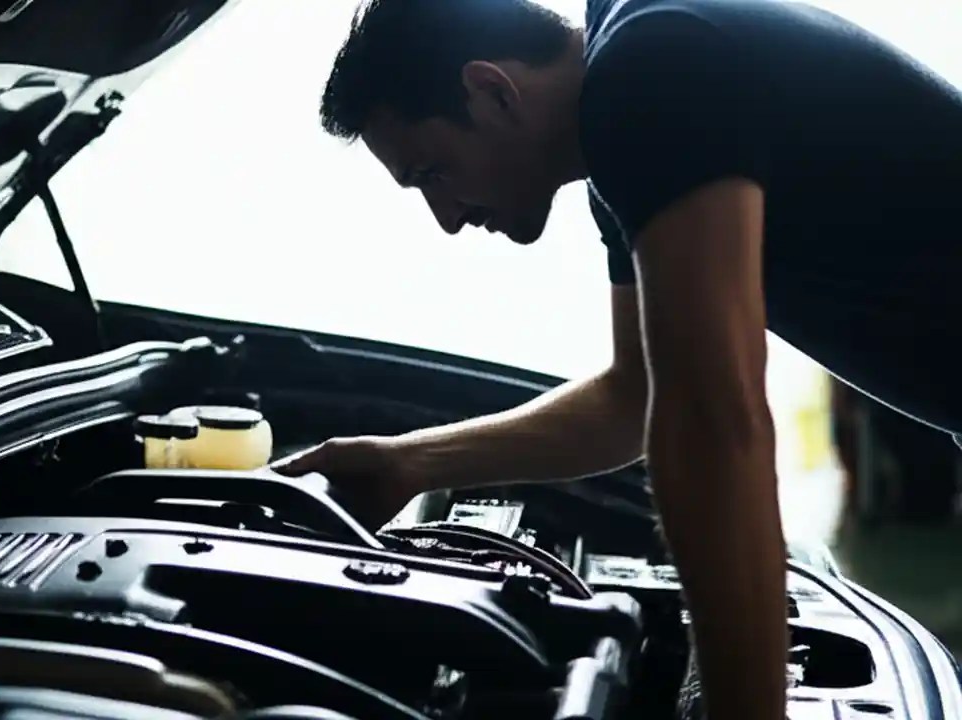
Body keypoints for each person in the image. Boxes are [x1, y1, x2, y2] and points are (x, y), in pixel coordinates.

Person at [270, 1, 962, 719]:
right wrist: (407, 463)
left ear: (494, 92)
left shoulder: (650, 70)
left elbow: (709, 420)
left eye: (432, 173)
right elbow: (634, 399)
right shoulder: (632, 103)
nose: (446, 217)